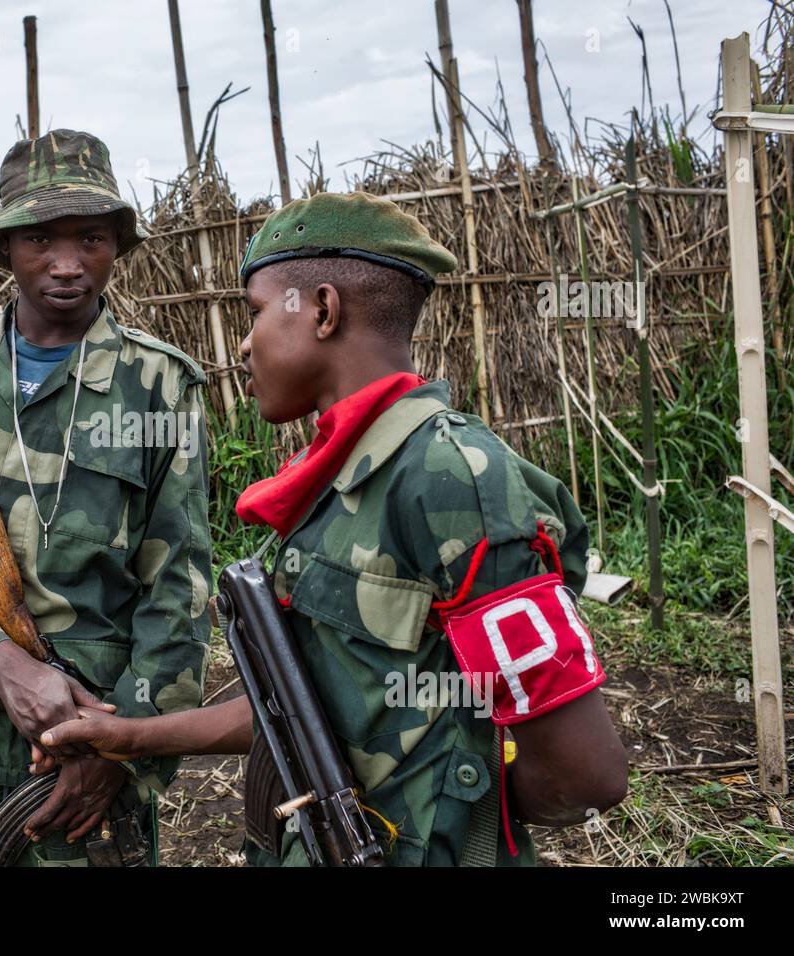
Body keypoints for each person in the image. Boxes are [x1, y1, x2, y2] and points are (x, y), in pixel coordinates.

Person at [39, 190, 628, 866]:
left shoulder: (451, 478)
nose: (243, 344)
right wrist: (133, 739)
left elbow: (585, 775)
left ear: (322, 310)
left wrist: (451, 820)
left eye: (255, 313)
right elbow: (313, 704)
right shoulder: (344, 481)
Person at [0, 129, 213, 866]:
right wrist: (4, 665)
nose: (66, 264)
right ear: (6, 249)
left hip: (90, 757)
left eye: (90, 238)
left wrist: (123, 751)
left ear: (116, 245)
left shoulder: (158, 387)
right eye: (39, 239)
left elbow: (179, 586)